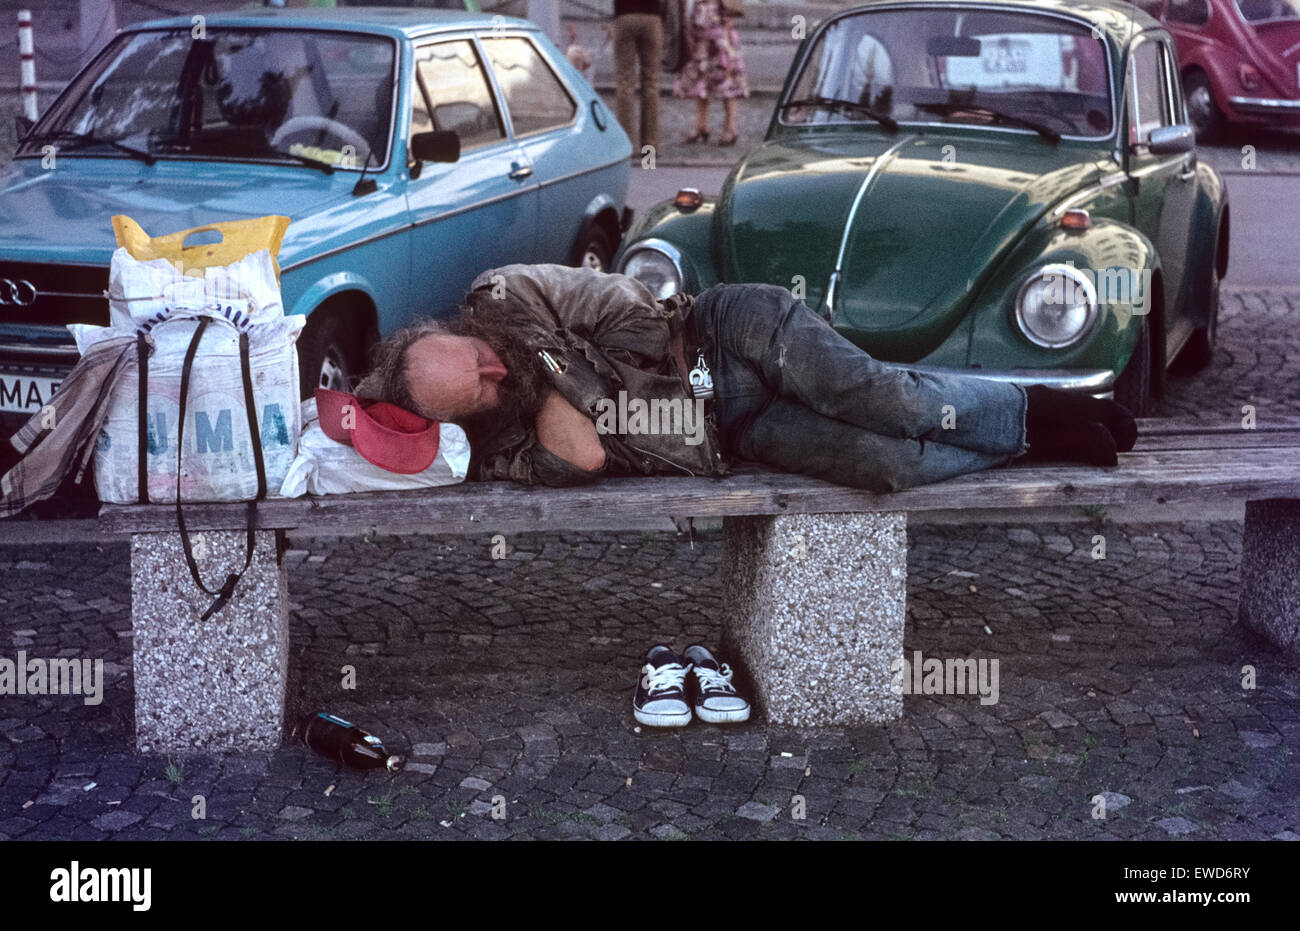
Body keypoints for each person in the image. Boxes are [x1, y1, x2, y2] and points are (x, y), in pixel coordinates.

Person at [354, 264, 1137, 494]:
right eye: (485, 388)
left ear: (458, 330)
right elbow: (585, 455)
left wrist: (568, 383)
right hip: (725, 435)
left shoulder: (504, 295)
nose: (497, 367)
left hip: (723, 335)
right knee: (885, 463)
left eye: (479, 353)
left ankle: (1048, 401)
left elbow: (638, 319)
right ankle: (1031, 441)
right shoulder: (501, 448)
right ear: (473, 418)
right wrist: (565, 373)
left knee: (890, 399)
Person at [673, 0, 749, 146]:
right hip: (701, 34)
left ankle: (730, 128)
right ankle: (701, 125)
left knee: (727, 81)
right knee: (700, 81)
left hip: (721, 34)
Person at [610, 0, 665, 156]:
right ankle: (650, 146)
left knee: (625, 84)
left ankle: (627, 144)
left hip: (624, 16)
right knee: (651, 84)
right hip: (651, 17)